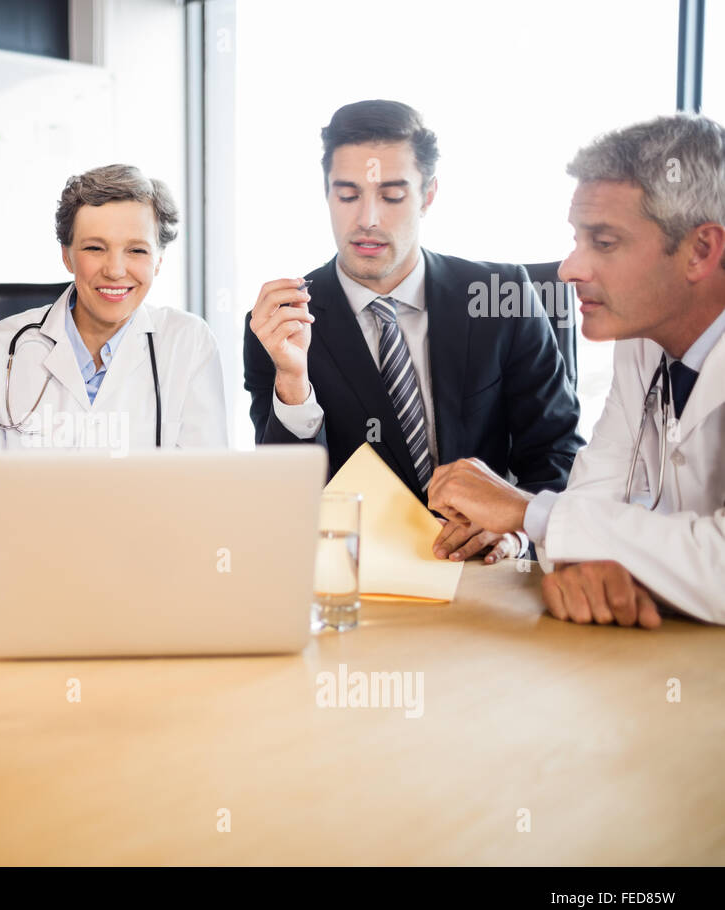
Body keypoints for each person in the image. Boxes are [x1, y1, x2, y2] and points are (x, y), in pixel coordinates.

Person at [244, 100, 582, 565]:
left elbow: (557, 454)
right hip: (362, 580)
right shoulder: (281, 321)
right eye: (348, 195)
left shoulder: (503, 298)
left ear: (428, 195)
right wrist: (294, 383)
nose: (368, 219)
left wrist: (516, 532)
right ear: (326, 195)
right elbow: (287, 501)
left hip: (486, 576)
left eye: (391, 195)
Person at [428, 113, 725, 628]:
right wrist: (586, 565)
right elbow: (596, 496)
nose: (569, 269)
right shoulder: (640, 345)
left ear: (700, 250)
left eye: (604, 243)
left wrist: (527, 513)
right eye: (577, 239)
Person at [0, 164, 228, 582]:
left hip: (135, 583)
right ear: (66, 254)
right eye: (95, 248)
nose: (115, 270)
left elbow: (204, 497)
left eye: (137, 250)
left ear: (159, 259)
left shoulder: (188, 343)